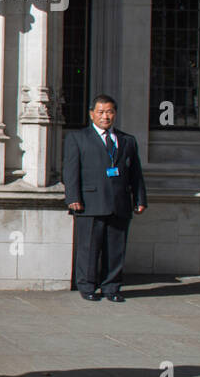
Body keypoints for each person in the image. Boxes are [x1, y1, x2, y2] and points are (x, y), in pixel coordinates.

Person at [63, 94, 147, 303]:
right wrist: (73, 197)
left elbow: (135, 173)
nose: (105, 116)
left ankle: (112, 287)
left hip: (119, 203)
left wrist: (140, 199)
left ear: (115, 114)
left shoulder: (127, 140)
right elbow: (71, 170)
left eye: (109, 112)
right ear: (92, 114)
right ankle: (87, 286)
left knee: (116, 249)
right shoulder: (77, 138)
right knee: (89, 248)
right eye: (100, 112)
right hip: (89, 203)